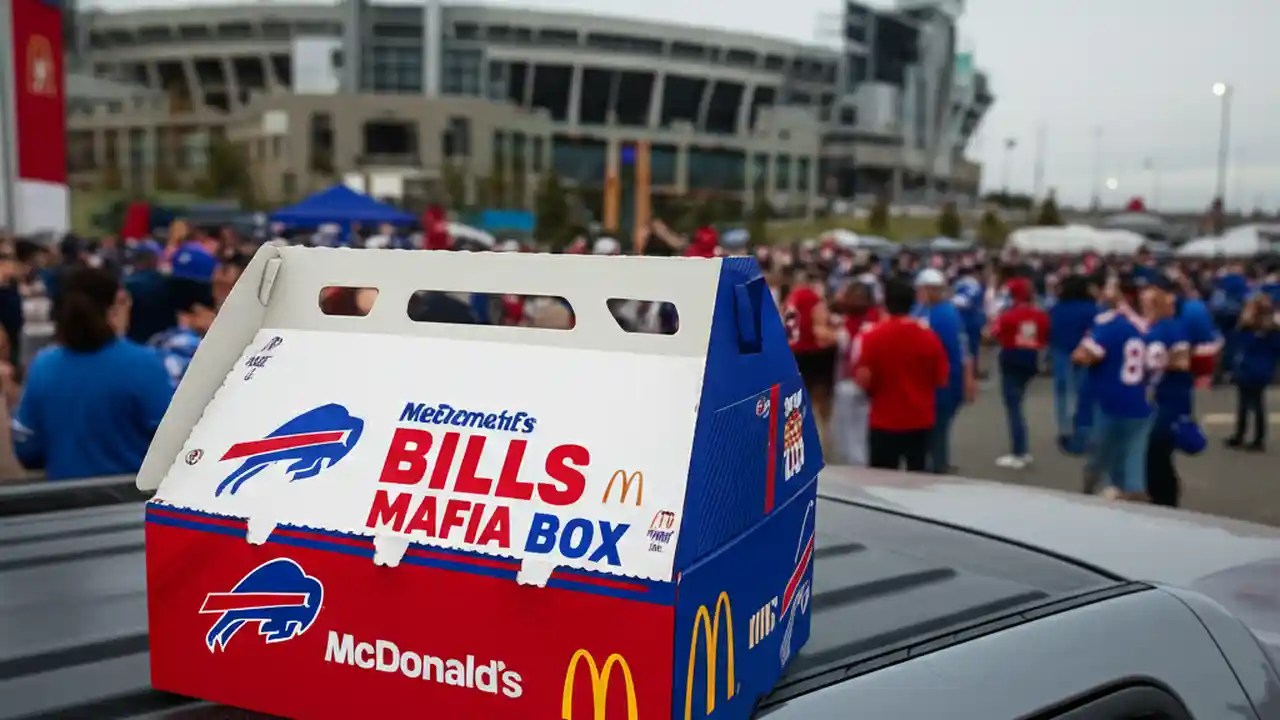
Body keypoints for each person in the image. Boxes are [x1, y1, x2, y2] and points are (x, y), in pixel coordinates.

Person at [11, 267, 174, 480]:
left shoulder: (43, 365)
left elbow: (27, 448)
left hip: (62, 495)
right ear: (113, 309)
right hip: (130, 496)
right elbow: (171, 442)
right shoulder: (145, 363)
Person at [854, 278, 948, 471]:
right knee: (917, 476)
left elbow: (863, 379)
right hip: (920, 420)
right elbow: (940, 378)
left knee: (881, 479)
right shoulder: (929, 337)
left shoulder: (872, 336)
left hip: (884, 421)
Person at [1073, 277, 1152, 501]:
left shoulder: (1110, 325)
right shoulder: (1145, 327)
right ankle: (1133, 487)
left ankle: (1099, 487)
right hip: (1141, 398)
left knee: (1104, 450)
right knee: (1133, 451)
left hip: (1111, 398)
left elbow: (1083, 356)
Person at [913, 268, 975, 474]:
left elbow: (961, 348)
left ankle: (937, 465)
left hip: (944, 378)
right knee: (936, 425)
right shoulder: (923, 310)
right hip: (934, 378)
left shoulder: (944, 314)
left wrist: (967, 378)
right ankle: (938, 462)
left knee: (938, 424)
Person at [1143, 277, 1193, 507]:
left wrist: (1158, 362)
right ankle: (1158, 496)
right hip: (1155, 399)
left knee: (1158, 453)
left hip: (1170, 401)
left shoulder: (1174, 328)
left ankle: (1166, 501)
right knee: (1153, 455)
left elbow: (1182, 362)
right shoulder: (1151, 327)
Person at [989, 277, 1049, 469]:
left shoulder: (1008, 315)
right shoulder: (1040, 315)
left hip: (1012, 358)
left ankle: (1019, 451)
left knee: (1013, 408)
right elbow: (1046, 335)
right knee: (1018, 403)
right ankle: (1021, 449)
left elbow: (993, 333)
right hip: (1031, 358)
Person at [829, 281, 881, 466]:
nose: (855, 301)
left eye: (859, 297)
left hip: (860, 382)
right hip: (847, 381)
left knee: (857, 434)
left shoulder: (872, 322)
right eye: (852, 296)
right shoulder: (848, 320)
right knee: (847, 434)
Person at [783, 270, 837, 436]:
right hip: (814, 354)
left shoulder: (790, 299)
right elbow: (819, 327)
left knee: (798, 402)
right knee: (821, 402)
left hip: (794, 354)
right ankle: (823, 435)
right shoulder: (812, 297)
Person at [1047, 274, 1097, 450]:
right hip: (1085, 352)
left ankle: (1065, 429)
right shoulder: (1092, 309)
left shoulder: (1057, 309)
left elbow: (1051, 331)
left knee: (1062, 392)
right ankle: (1085, 430)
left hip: (1061, 351)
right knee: (1085, 392)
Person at [1226, 294, 1280, 452]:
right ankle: (1254, 436)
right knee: (1253, 403)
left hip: (1250, 368)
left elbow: (1239, 344)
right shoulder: (1272, 331)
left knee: (1248, 403)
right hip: (1260, 369)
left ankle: (1245, 435)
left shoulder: (1250, 329)